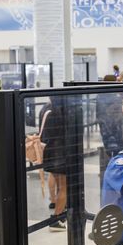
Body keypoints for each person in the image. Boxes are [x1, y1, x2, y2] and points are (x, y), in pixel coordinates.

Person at [41, 97, 68, 231]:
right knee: (64, 187)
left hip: (50, 151)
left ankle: (59, 211)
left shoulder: (47, 110)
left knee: (58, 184)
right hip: (61, 153)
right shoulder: (64, 113)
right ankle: (56, 219)